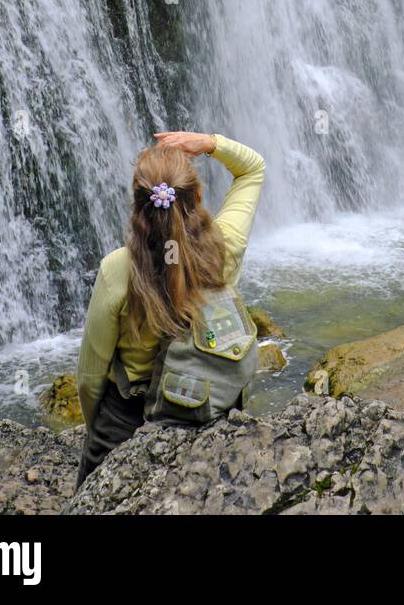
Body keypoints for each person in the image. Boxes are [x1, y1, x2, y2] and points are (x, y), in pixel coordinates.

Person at [75, 130, 265, 488]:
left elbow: (89, 378)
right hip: (207, 409)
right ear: (198, 196)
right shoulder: (225, 248)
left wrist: (98, 430)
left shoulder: (118, 269)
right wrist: (210, 144)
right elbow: (253, 169)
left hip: (126, 424)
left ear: (137, 206)